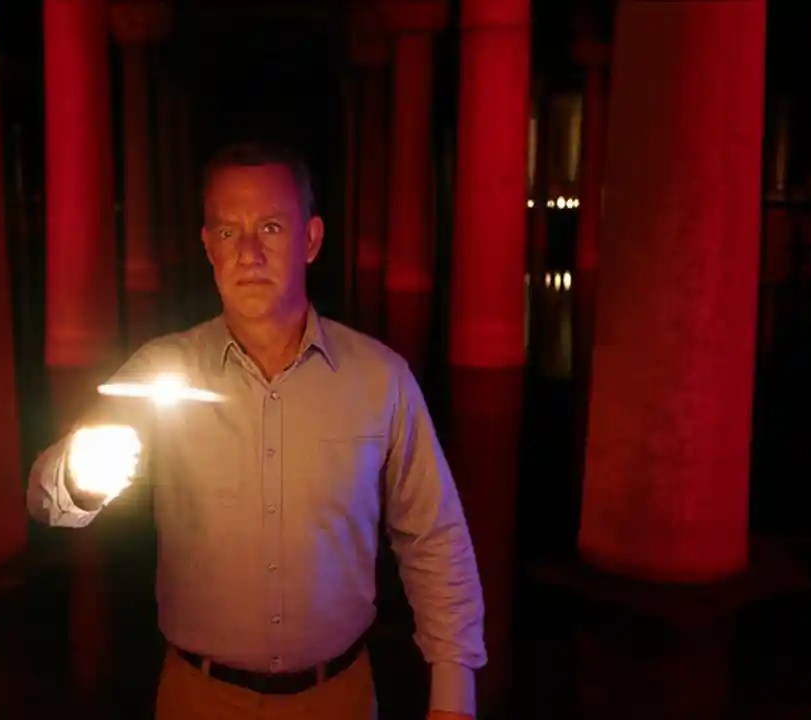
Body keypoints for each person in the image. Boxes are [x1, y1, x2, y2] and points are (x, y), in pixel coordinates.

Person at [28, 142, 485, 720]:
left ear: (310, 240)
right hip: (198, 699)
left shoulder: (381, 380)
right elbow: (45, 500)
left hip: (338, 700)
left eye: (270, 227)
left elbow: (435, 538)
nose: (248, 253)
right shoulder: (160, 372)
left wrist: (453, 695)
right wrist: (79, 475)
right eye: (228, 232)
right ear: (208, 247)